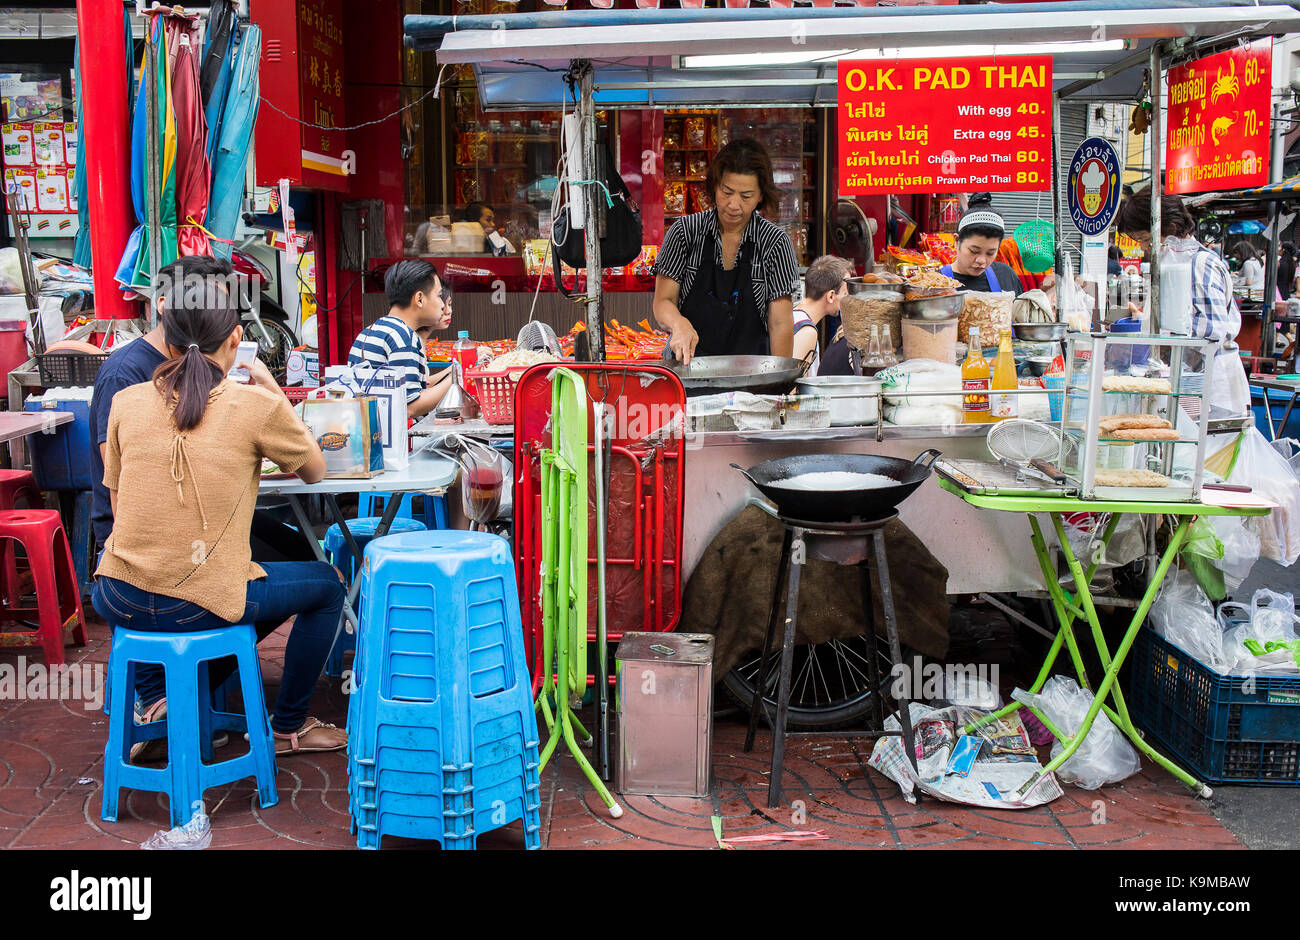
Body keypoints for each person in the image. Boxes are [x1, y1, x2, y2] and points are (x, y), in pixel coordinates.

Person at [93, 274, 348, 756]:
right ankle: (287, 727)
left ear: (165, 336)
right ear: (236, 338)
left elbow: (123, 505)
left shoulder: (126, 402)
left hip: (116, 593)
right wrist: (273, 391)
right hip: (194, 599)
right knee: (327, 584)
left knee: (214, 583)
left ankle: (159, 700)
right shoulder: (251, 404)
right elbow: (314, 470)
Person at [90, 255, 314, 564]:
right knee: (303, 572)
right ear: (165, 305)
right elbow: (126, 474)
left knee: (303, 549)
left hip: (204, 514)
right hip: (152, 538)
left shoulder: (203, 361)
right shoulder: (125, 374)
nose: (215, 314)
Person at [653, 138, 799, 365]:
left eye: (746, 196)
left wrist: (780, 380)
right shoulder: (685, 233)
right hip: (688, 371)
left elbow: (780, 323)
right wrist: (679, 324)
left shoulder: (775, 242)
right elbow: (663, 302)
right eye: (727, 191)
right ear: (714, 185)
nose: (733, 204)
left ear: (761, 196)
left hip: (753, 376)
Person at [1117, 188, 1251, 416]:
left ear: (1171, 228)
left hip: (1211, 388)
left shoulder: (1200, 265)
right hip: (1184, 382)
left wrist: (1163, 345)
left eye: (1146, 239)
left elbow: (1212, 333)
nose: (1142, 247)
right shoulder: (1171, 265)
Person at [348, 260, 454, 418]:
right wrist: (459, 375)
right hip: (392, 437)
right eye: (439, 296)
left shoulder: (371, 330)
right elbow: (411, 407)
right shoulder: (404, 337)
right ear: (419, 299)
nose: (442, 306)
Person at [941, 196, 1022, 295]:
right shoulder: (936, 283)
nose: (981, 261)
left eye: (990, 253)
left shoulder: (1005, 275)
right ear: (957, 241)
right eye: (974, 251)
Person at [791, 255, 851, 376]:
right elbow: (792, 389)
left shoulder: (796, 318)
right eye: (845, 294)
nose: (847, 299)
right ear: (830, 296)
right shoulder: (806, 331)